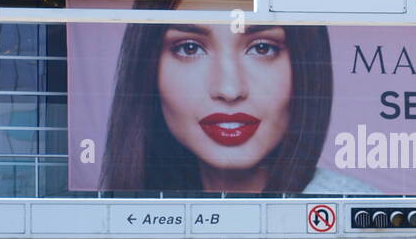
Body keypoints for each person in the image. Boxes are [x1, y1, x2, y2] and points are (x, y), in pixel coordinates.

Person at [100, 13, 335, 194]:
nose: (229, 90)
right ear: (148, 70)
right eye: (189, 48)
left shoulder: (351, 206)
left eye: (262, 48)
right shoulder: (129, 211)